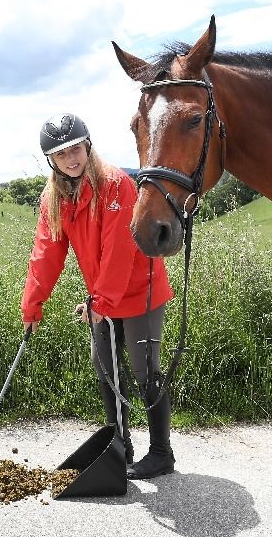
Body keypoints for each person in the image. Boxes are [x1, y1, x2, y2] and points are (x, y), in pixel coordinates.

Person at [21, 113, 175, 479]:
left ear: (88, 145)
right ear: (51, 161)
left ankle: (161, 454)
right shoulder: (54, 200)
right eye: (61, 154)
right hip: (102, 297)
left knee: (144, 371)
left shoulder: (115, 184)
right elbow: (46, 253)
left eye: (76, 148)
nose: (71, 158)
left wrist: (101, 303)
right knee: (106, 370)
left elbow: (119, 251)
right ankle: (118, 448)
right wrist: (32, 305)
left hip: (141, 292)